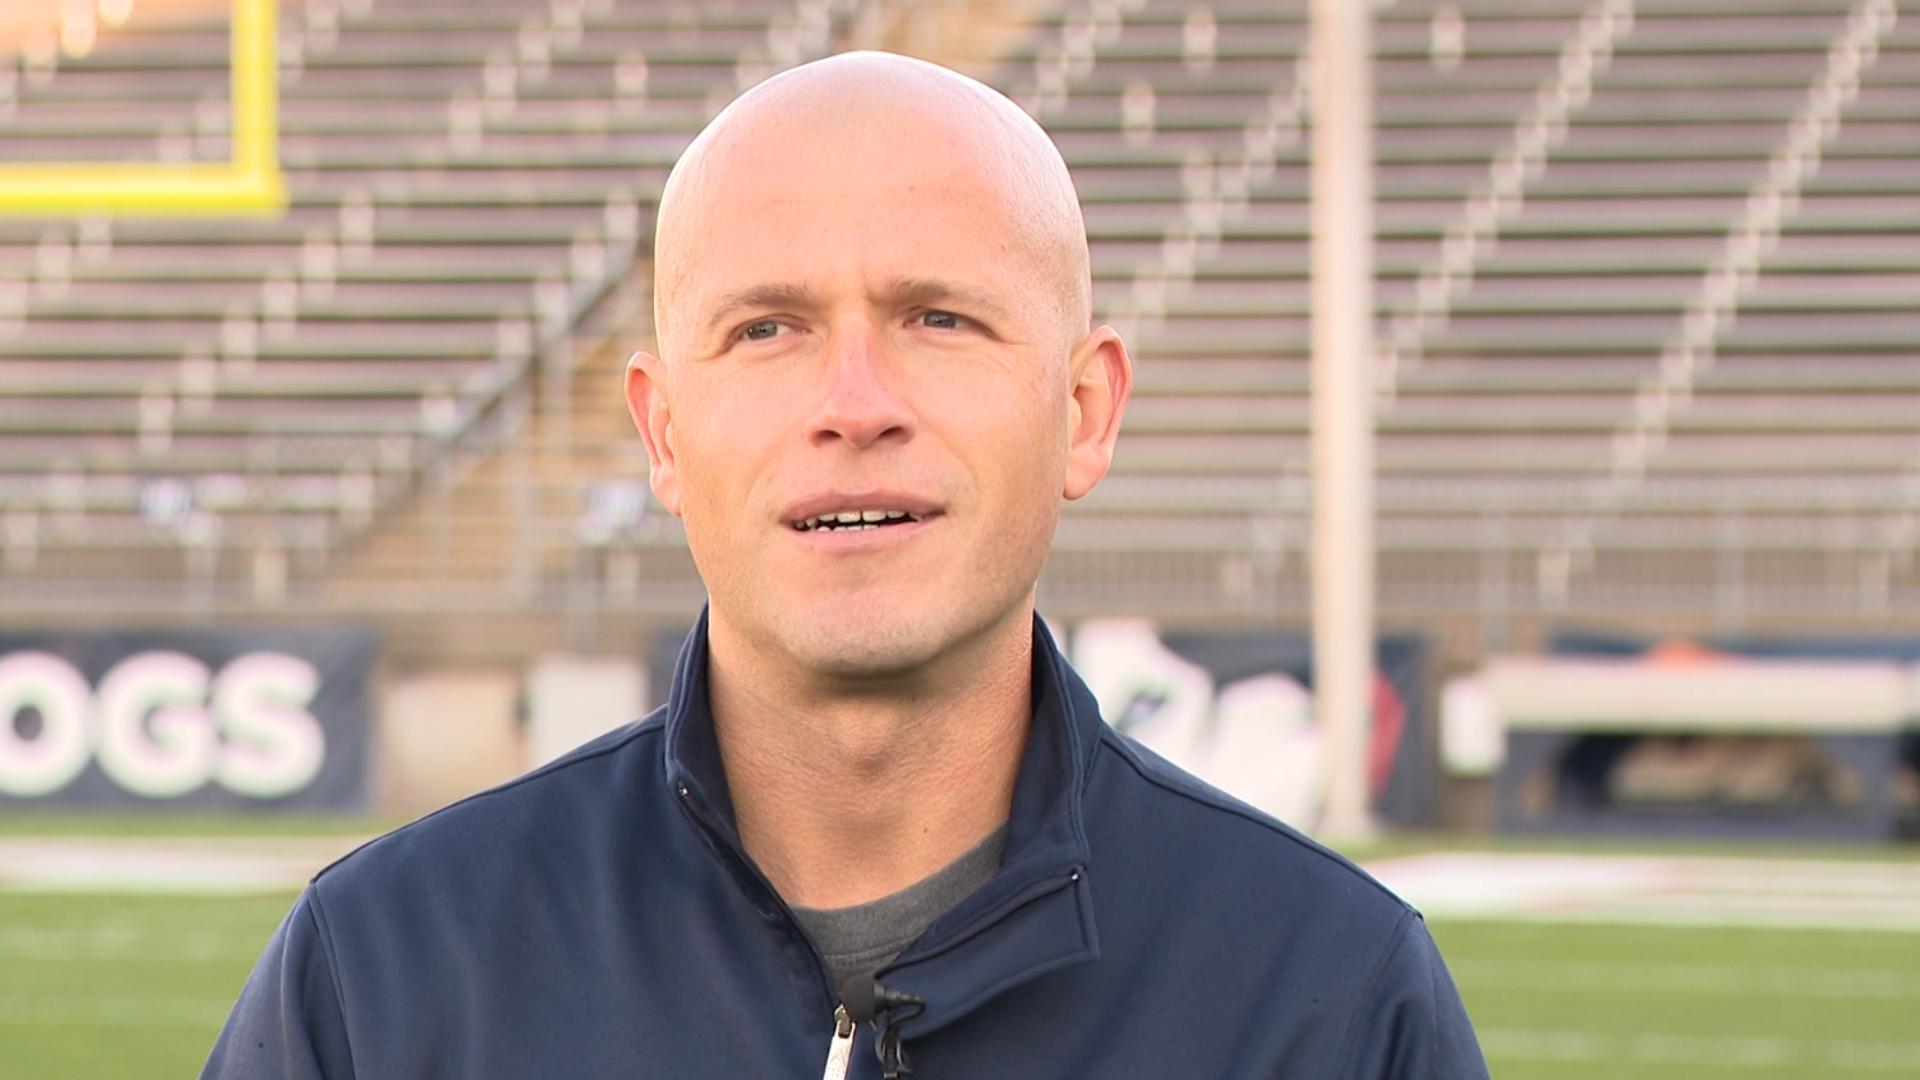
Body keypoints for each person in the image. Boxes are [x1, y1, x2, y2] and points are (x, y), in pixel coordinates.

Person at [204, 51, 1488, 1079]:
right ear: (664, 430)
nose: (855, 402)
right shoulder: (385, 975)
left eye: (939, 318)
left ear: (1084, 412)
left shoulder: (1326, 996)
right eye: (768, 328)